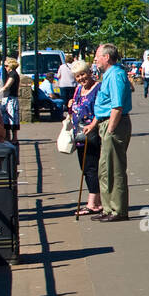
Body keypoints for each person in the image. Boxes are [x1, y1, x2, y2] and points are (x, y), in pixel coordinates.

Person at [87, 43, 132, 222]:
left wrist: (110, 129)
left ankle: (118, 210)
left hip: (115, 124)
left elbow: (117, 105)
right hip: (105, 122)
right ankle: (107, 207)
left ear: (106, 57)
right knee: (104, 168)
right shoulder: (108, 75)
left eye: (97, 56)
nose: (95, 59)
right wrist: (94, 123)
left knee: (114, 168)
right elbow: (104, 105)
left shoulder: (116, 75)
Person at [67, 60, 103, 215]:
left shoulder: (98, 88)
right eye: (77, 76)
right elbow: (73, 109)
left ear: (89, 72)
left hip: (92, 133)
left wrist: (93, 124)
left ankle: (92, 204)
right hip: (79, 134)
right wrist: (70, 105)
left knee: (90, 168)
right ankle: (98, 201)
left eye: (83, 74)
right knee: (84, 167)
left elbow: (100, 110)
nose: (81, 78)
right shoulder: (78, 90)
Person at [0, 57, 21, 145]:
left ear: (11, 66)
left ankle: (14, 138)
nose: (5, 67)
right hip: (9, 98)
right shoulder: (12, 74)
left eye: (6, 65)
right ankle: (8, 137)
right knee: (7, 118)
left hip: (11, 99)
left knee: (12, 118)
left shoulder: (13, 74)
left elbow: (7, 86)